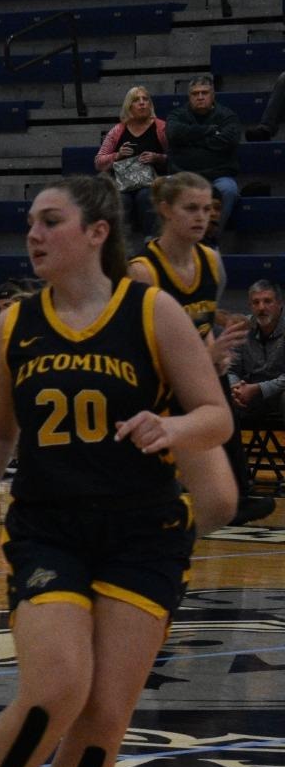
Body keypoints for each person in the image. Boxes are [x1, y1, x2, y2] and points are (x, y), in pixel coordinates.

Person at [0, 175, 232, 767]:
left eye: (50, 221)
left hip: (144, 534)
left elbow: (215, 415)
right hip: (50, 527)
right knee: (59, 682)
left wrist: (172, 431)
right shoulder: (11, 328)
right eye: (30, 221)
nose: (34, 234)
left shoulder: (151, 310)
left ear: (97, 232)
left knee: (105, 712)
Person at [128, 171, 254, 524]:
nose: (203, 217)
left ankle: (233, 498)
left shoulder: (211, 261)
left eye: (208, 209)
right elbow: (136, 356)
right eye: (192, 209)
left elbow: (202, 325)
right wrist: (203, 361)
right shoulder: (143, 271)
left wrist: (216, 359)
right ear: (165, 209)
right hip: (152, 388)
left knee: (222, 504)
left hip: (193, 377)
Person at [226, 278, 283, 523]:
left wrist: (259, 389)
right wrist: (235, 388)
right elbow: (229, 367)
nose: (262, 307)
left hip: (278, 395)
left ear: (280, 304)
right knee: (221, 405)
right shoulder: (242, 329)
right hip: (248, 396)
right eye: (256, 302)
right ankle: (236, 483)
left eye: (268, 301)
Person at [166, 74, 242, 230]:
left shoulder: (227, 116)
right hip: (183, 174)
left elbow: (229, 141)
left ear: (213, 95)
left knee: (229, 190)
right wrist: (209, 131)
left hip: (218, 176)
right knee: (162, 188)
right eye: (195, 93)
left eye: (204, 93)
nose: (200, 97)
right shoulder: (176, 115)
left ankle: (211, 240)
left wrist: (190, 140)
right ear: (189, 96)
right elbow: (173, 133)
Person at [95, 85, 169, 234]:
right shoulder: (118, 130)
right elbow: (99, 162)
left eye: (145, 99)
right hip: (123, 184)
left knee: (145, 196)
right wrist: (118, 155)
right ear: (129, 106)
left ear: (150, 104)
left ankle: (151, 242)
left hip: (152, 182)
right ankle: (123, 247)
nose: (142, 103)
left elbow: (176, 157)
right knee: (122, 201)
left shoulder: (161, 128)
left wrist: (158, 157)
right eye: (136, 100)